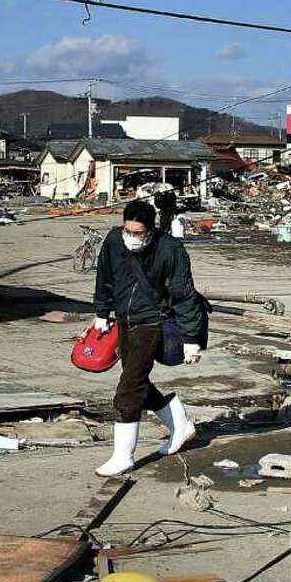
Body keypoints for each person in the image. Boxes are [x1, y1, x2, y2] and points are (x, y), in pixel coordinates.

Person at [92, 200, 205, 477]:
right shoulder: (114, 241)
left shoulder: (170, 249)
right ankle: (181, 424)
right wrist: (101, 312)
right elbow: (104, 277)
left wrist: (191, 337)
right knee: (137, 380)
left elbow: (184, 293)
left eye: (138, 233)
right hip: (125, 320)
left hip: (155, 321)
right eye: (127, 231)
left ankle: (123, 457)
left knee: (128, 391)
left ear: (151, 230)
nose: (131, 238)